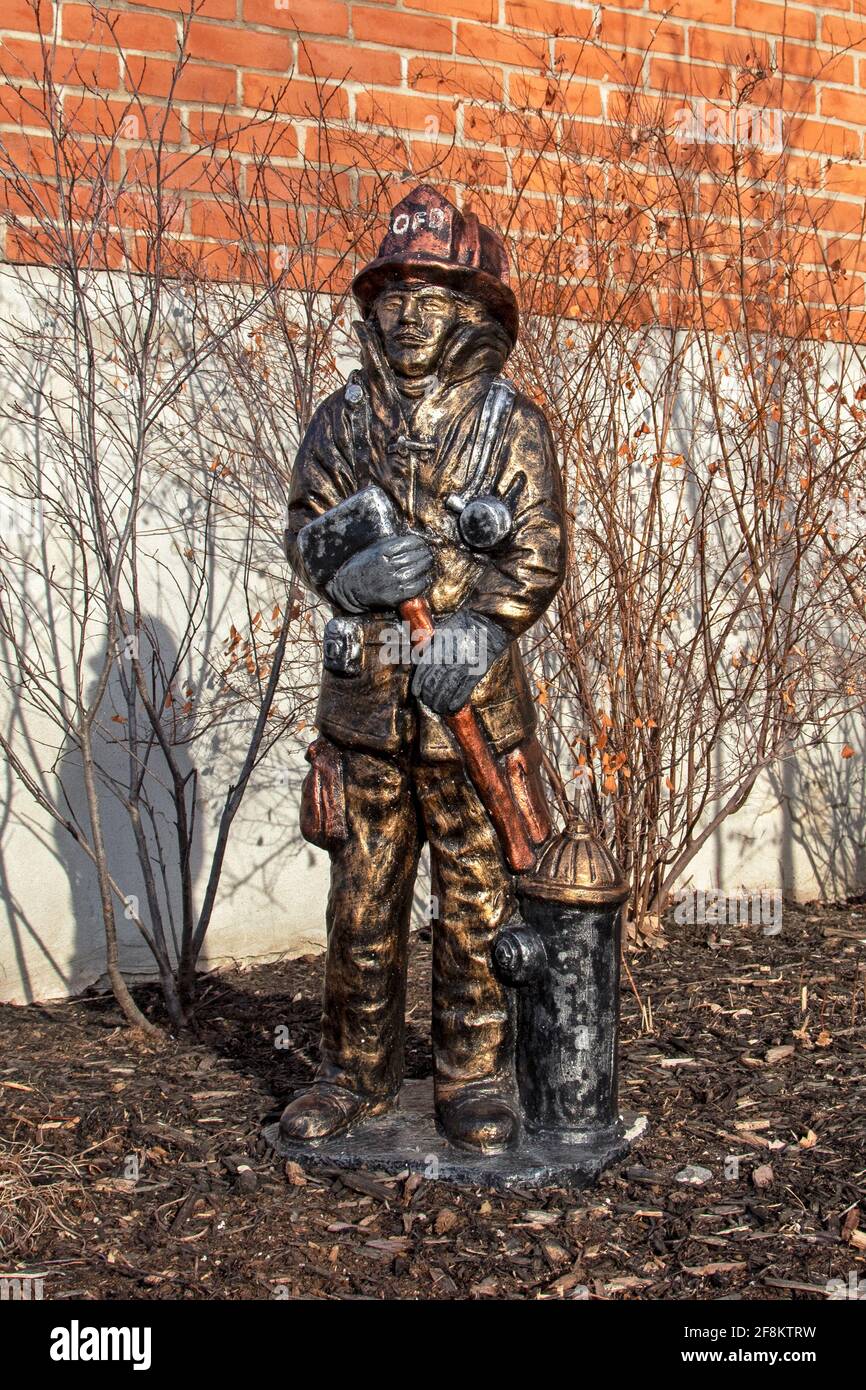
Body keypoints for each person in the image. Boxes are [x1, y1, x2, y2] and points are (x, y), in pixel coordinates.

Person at [281, 185, 565, 1153]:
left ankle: (471, 1072)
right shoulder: (340, 420)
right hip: (365, 709)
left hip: (467, 716)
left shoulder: (506, 423)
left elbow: (535, 548)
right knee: (361, 899)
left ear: (473, 312)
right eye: (394, 297)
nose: (409, 318)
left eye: (433, 299)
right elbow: (302, 532)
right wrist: (351, 572)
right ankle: (350, 1073)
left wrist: (480, 632)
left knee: (475, 900)